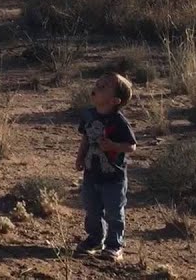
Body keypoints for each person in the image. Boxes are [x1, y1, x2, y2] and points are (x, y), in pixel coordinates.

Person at [74, 72, 137, 262]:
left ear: (114, 100)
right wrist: (80, 157)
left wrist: (114, 146)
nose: (98, 85)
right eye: (98, 83)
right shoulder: (88, 115)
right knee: (91, 209)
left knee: (114, 212)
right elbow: (85, 137)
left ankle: (114, 245)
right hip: (91, 173)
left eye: (105, 86)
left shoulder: (119, 121)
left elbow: (131, 146)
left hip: (113, 177)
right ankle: (94, 239)